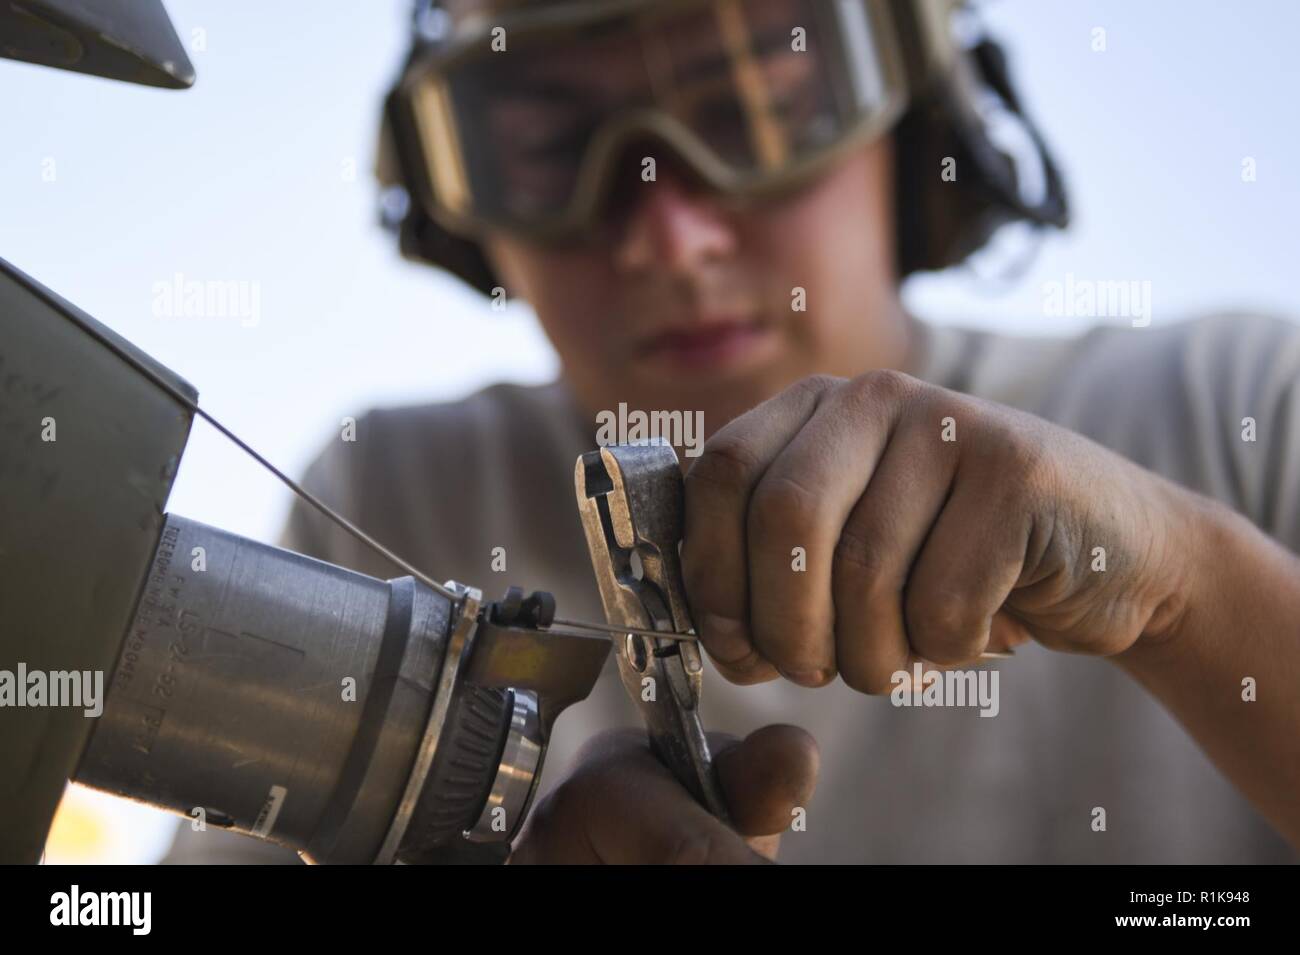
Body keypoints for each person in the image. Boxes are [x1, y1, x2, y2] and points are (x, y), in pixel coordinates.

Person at [166, 0, 1299, 864]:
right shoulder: (392, 506)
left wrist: (1185, 595)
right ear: (454, 209)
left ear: (912, 115)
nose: (667, 236)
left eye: (753, 105)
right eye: (554, 147)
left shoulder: (1224, 414)